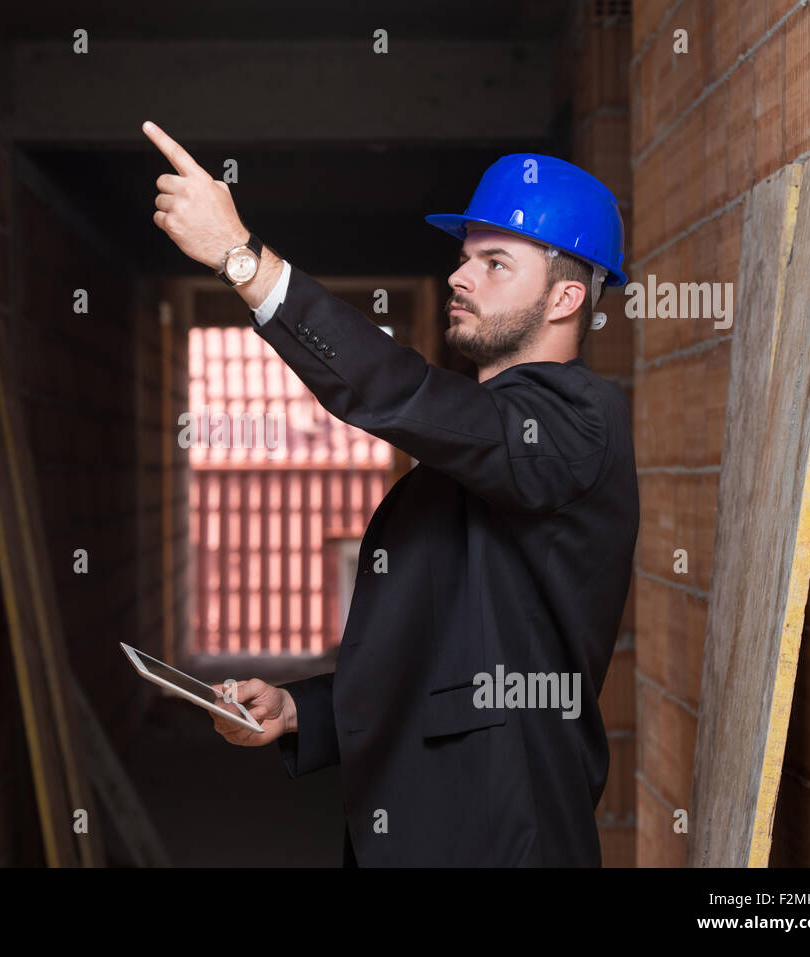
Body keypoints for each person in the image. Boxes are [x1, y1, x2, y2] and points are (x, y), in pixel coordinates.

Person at [143, 119, 638, 866]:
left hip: (502, 840)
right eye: (464, 257)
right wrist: (298, 710)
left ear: (567, 296)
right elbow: (440, 664)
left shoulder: (573, 424)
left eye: (495, 262)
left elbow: (395, 390)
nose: (460, 277)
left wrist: (241, 259)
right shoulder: (481, 442)